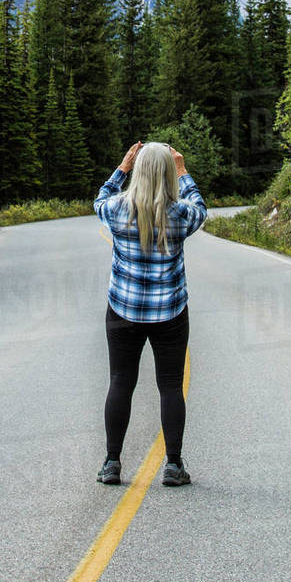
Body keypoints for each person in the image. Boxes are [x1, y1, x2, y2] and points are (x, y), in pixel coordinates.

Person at [93, 140, 207, 487]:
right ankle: (173, 465)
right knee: (170, 386)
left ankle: (112, 462)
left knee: (120, 382)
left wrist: (122, 167)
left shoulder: (115, 209)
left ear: (138, 170)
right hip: (169, 313)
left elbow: (99, 199)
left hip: (123, 310)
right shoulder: (180, 214)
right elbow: (200, 208)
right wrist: (184, 171)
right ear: (169, 174)